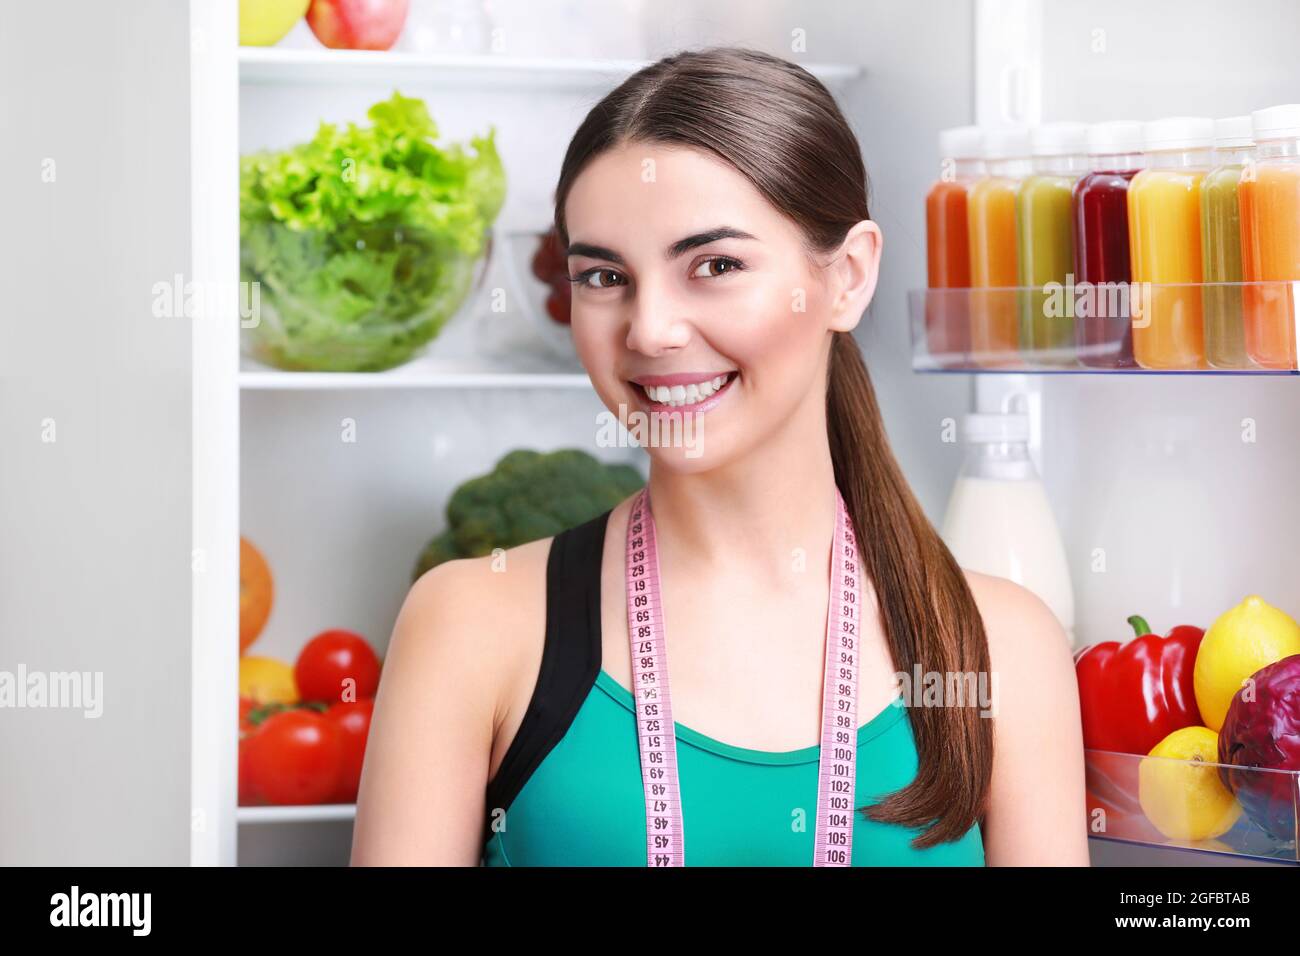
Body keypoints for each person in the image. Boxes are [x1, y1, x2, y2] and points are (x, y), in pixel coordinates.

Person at [351, 46, 1088, 867]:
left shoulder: (1001, 651)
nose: (651, 330)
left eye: (716, 265)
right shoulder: (467, 625)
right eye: (603, 277)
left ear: (846, 278)